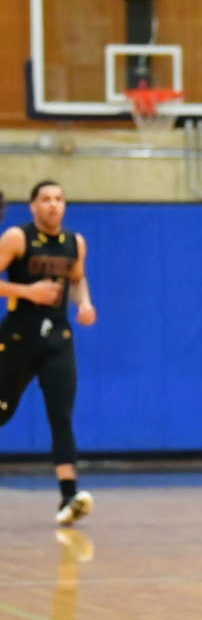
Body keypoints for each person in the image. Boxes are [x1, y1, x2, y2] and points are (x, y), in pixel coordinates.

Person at [0, 180, 97, 525]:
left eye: (58, 199)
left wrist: (84, 303)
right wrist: (26, 291)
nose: (53, 205)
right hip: (17, 337)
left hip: (58, 337)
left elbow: (77, 279)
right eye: (45, 199)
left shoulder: (75, 242)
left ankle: (69, 496)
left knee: (61, 414)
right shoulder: (17, 237)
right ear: (33, 206)